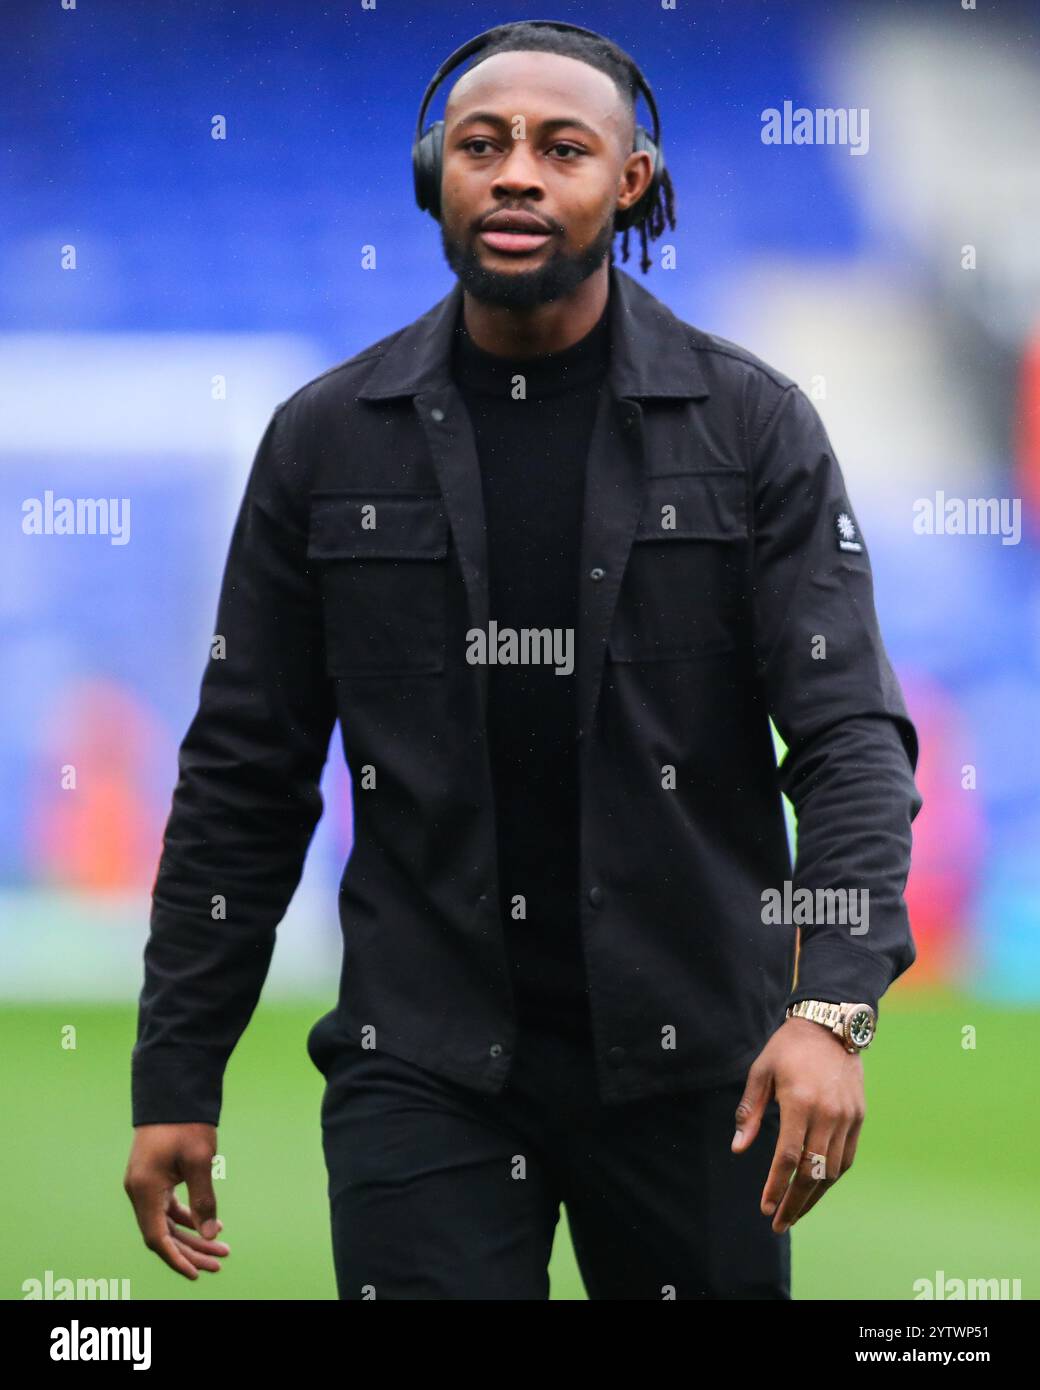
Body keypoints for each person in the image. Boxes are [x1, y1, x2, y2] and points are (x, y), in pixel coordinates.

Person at [124, 21, 923, 1300]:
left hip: (694, 1070)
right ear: (433, 172)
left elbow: (846, 740)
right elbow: (242, 776)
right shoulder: (325, 441)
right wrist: (175, 1072)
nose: (515, 175)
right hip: (422, 1063)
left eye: (562, 148)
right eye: (482, 145)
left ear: (630, 183)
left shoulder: (751, 427)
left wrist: (828, 1009)